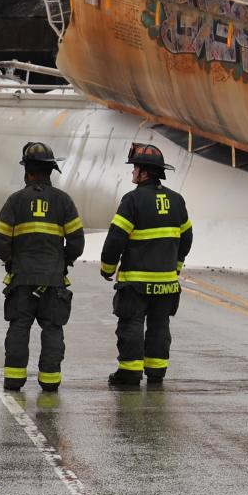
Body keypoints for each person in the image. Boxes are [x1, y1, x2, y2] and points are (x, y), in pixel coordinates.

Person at [0, 142, 85, 393]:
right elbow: (77, 241)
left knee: (19, 327)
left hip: (21, 279)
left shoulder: (15, 201)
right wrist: (63, 261)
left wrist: (10, 261)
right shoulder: (63, 201)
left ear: (28, 172)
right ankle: (50, 381)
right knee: (53, 329)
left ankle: (13, 380)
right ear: (50, 171)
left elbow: (0, 239)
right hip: (54, 280)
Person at [98, 142, 191, 388]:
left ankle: (129, 373)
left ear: (144, 172)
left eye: (135, 168)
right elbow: (187, 237)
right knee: (160, 325)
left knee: (132, 324)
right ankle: (156, 372)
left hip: (136, 282)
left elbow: (116, 237)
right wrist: (176, 266)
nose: (132, 173)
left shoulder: (132, 200)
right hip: (167, 284)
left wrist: (107, 268)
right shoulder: (176, 200)